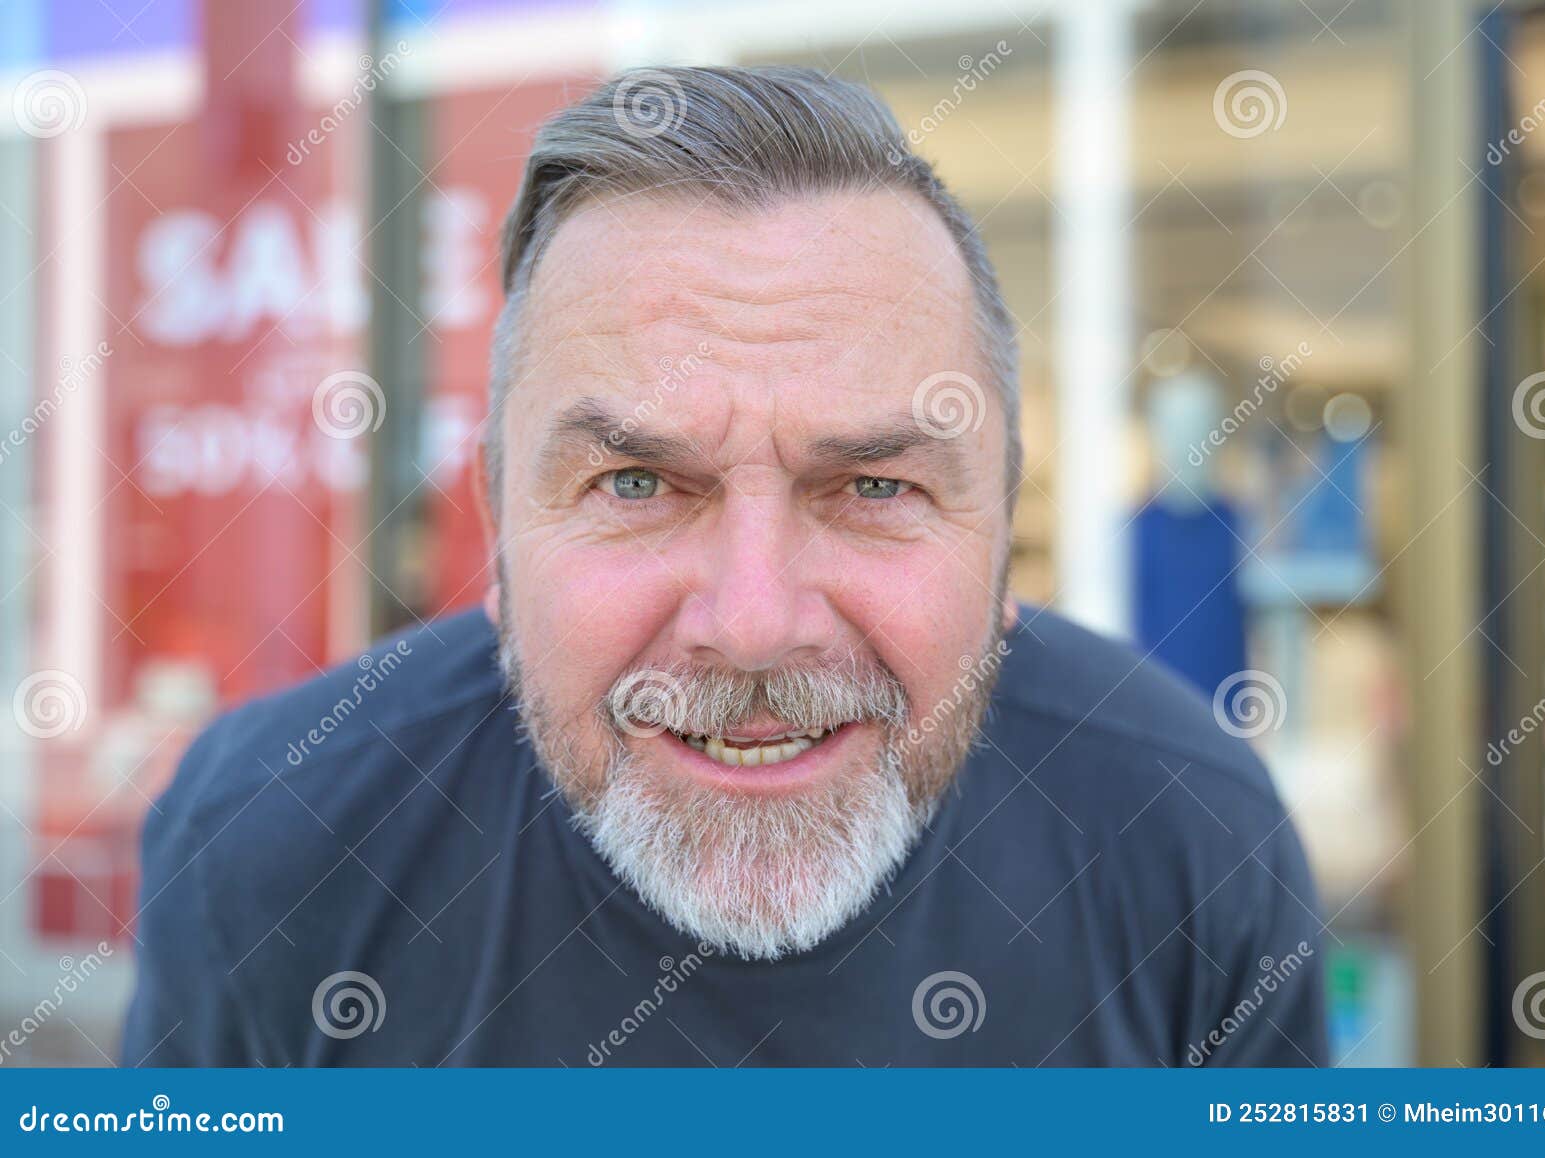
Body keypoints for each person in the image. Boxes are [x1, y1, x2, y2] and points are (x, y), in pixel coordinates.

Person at [122, 65, 1326, 1066]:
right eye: (637, 485)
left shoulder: (1186, 836)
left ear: (1004, 535)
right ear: (495, 528)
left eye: (873, 488)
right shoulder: (274, 841)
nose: (753, 625)